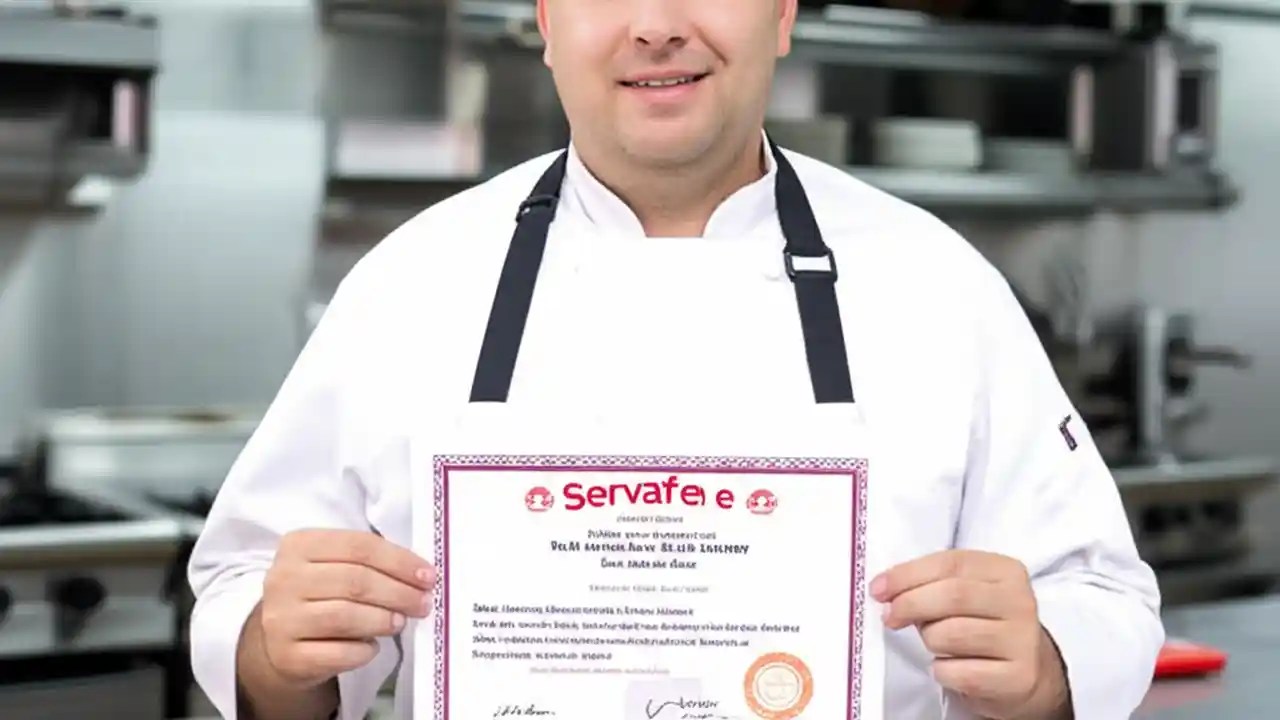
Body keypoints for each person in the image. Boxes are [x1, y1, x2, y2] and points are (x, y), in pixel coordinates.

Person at [187, 0, 1164, 718]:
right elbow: (245, 597)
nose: (654, 25)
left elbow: (1102, 599)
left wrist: (1039, 663)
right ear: (544, 19)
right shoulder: (410, 281)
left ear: (780, 13)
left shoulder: (940, 285)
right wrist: (280, 650)